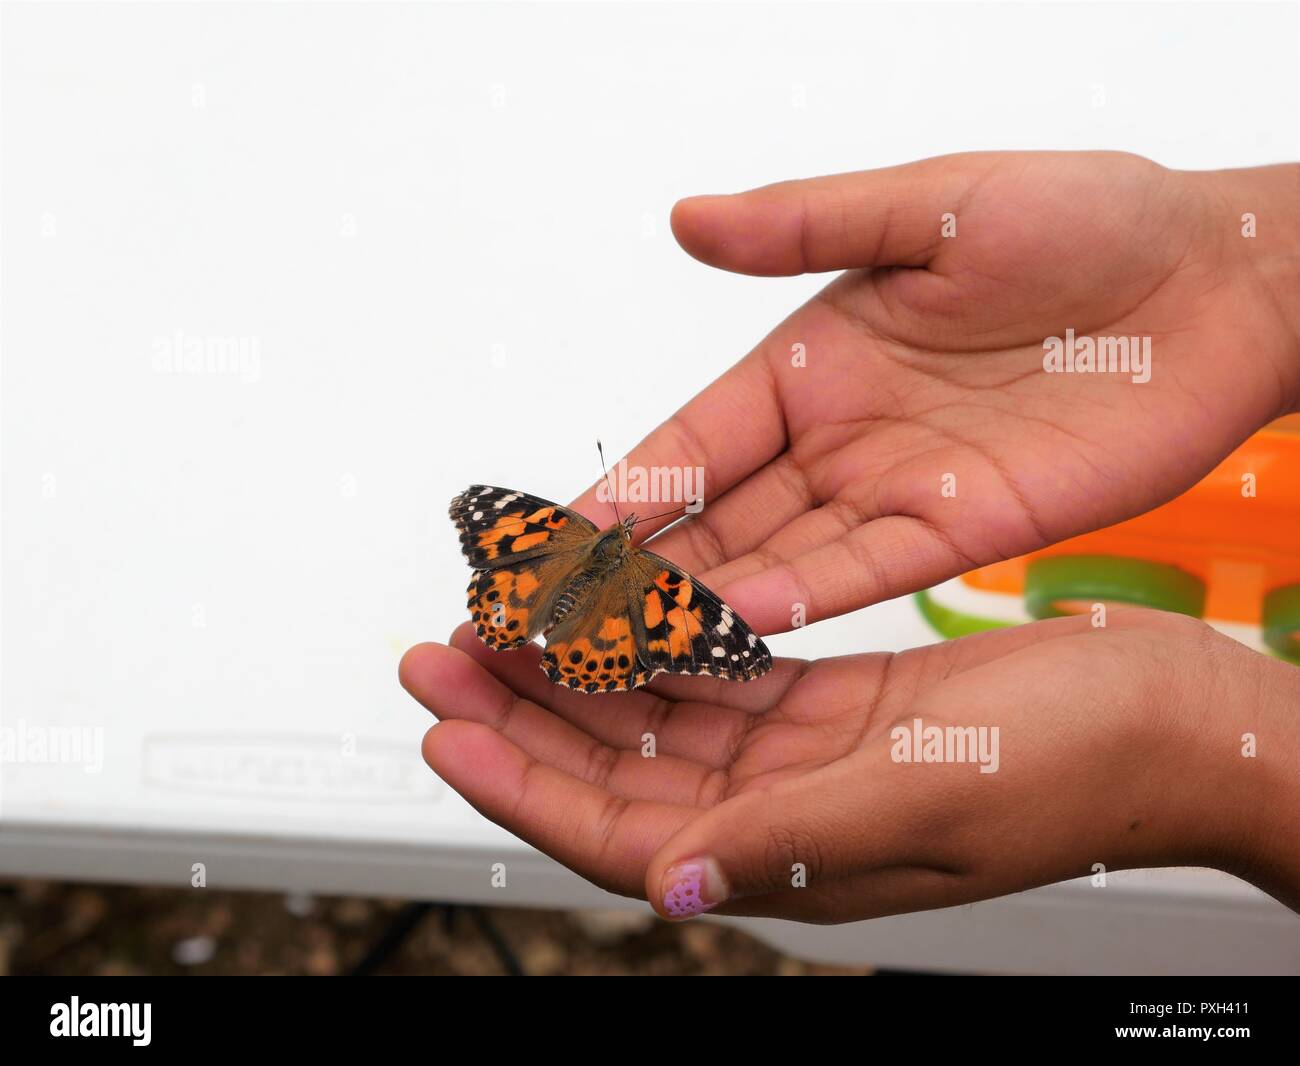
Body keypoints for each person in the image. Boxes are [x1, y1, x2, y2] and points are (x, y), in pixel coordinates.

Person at [401, 152, 1300, 922]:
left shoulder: (560, 537)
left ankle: (533, 622)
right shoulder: (661, 591)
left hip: (540, 588)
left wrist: (1207, 753)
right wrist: (1247, 275)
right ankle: (564, 641)